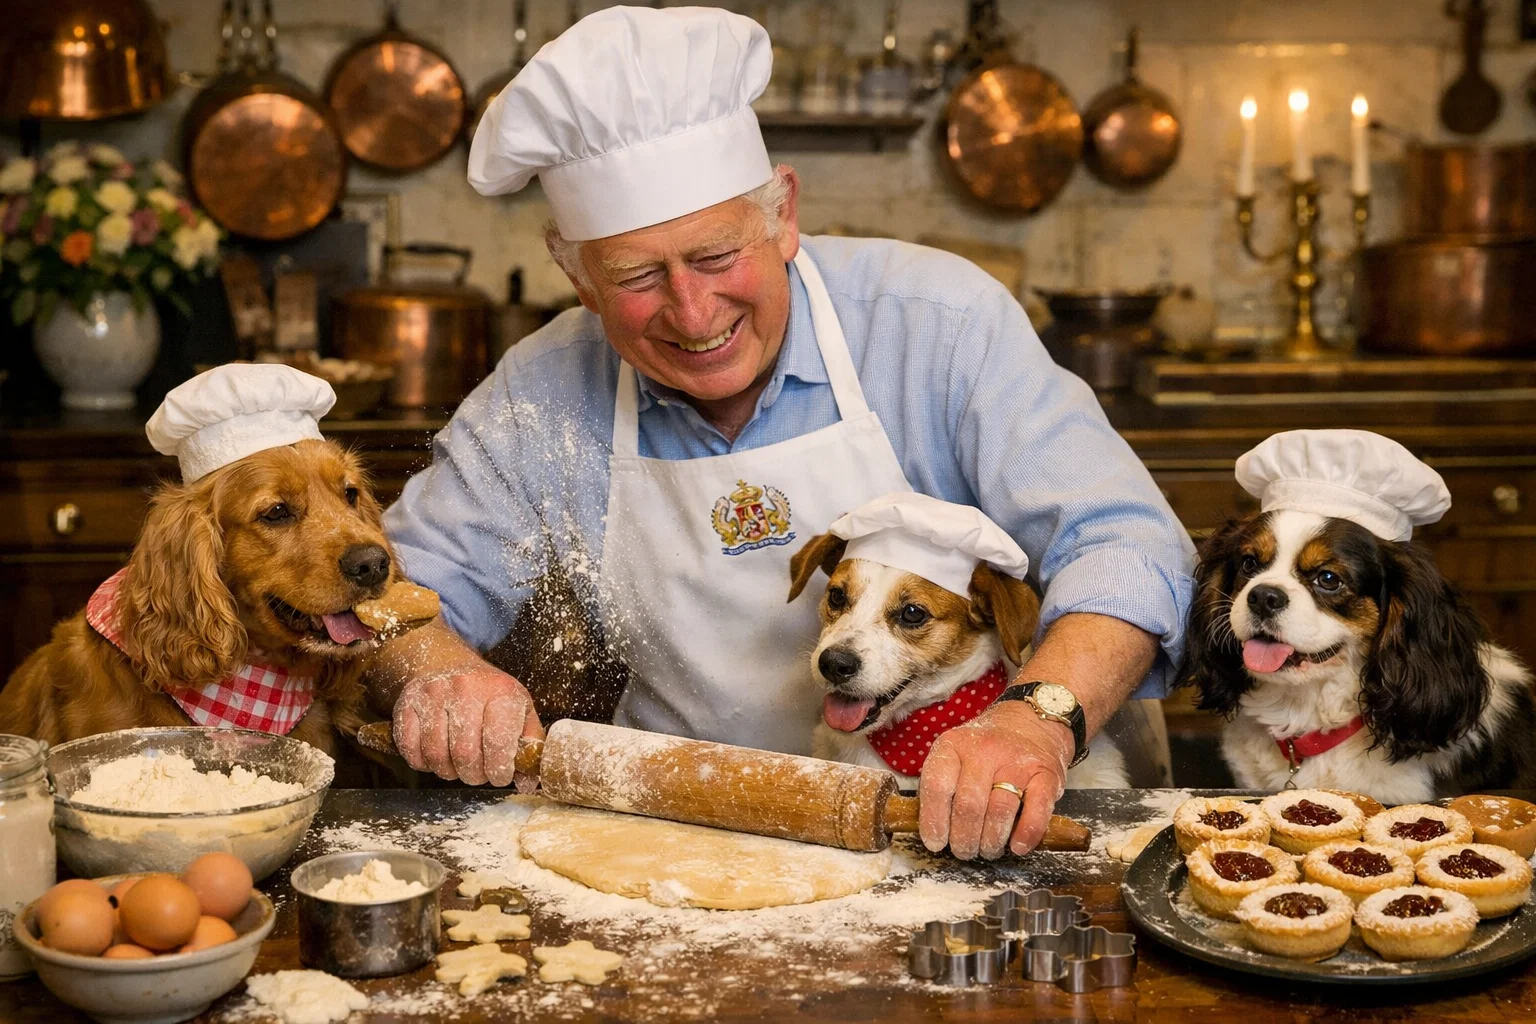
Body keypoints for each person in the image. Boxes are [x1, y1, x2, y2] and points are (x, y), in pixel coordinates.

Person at [371, 6, 1195, 861]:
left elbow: (1129, 549)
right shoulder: (540, 394)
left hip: (938, 837)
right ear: (576, 275)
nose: (694, 314)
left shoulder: (940, 324)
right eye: (639, 276)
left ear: (784, 214)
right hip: (671, 834)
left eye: (718, 257)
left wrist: (1036, 721)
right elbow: (389, 589)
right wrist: (432, 665)